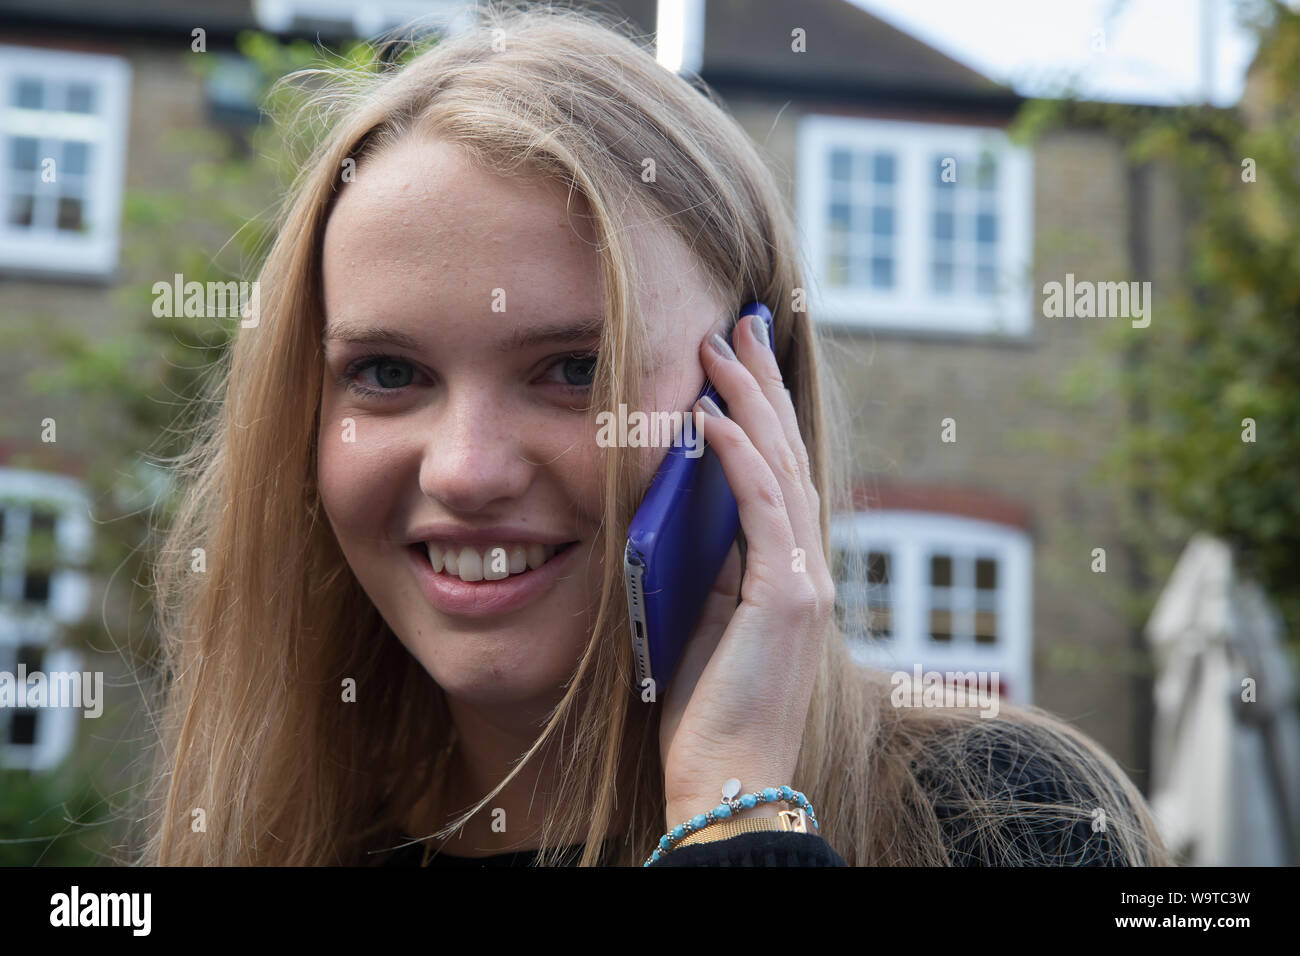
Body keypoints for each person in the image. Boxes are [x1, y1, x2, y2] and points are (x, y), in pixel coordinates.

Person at [133, 1, 1171, 867]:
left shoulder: (1012, 819)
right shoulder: (270, 830)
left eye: (578, 369)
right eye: (388, 373)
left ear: (755, 392)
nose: (466, 469)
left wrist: (737, 811)